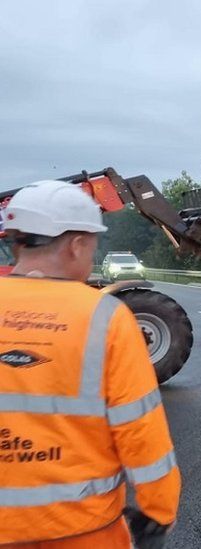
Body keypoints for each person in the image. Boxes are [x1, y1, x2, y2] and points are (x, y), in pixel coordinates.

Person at [0, 181, 180, 548]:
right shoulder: (104, 318)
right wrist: (158, 513)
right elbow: (141, 432)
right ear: (77, 244)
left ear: (18, 242)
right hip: (82, 531)